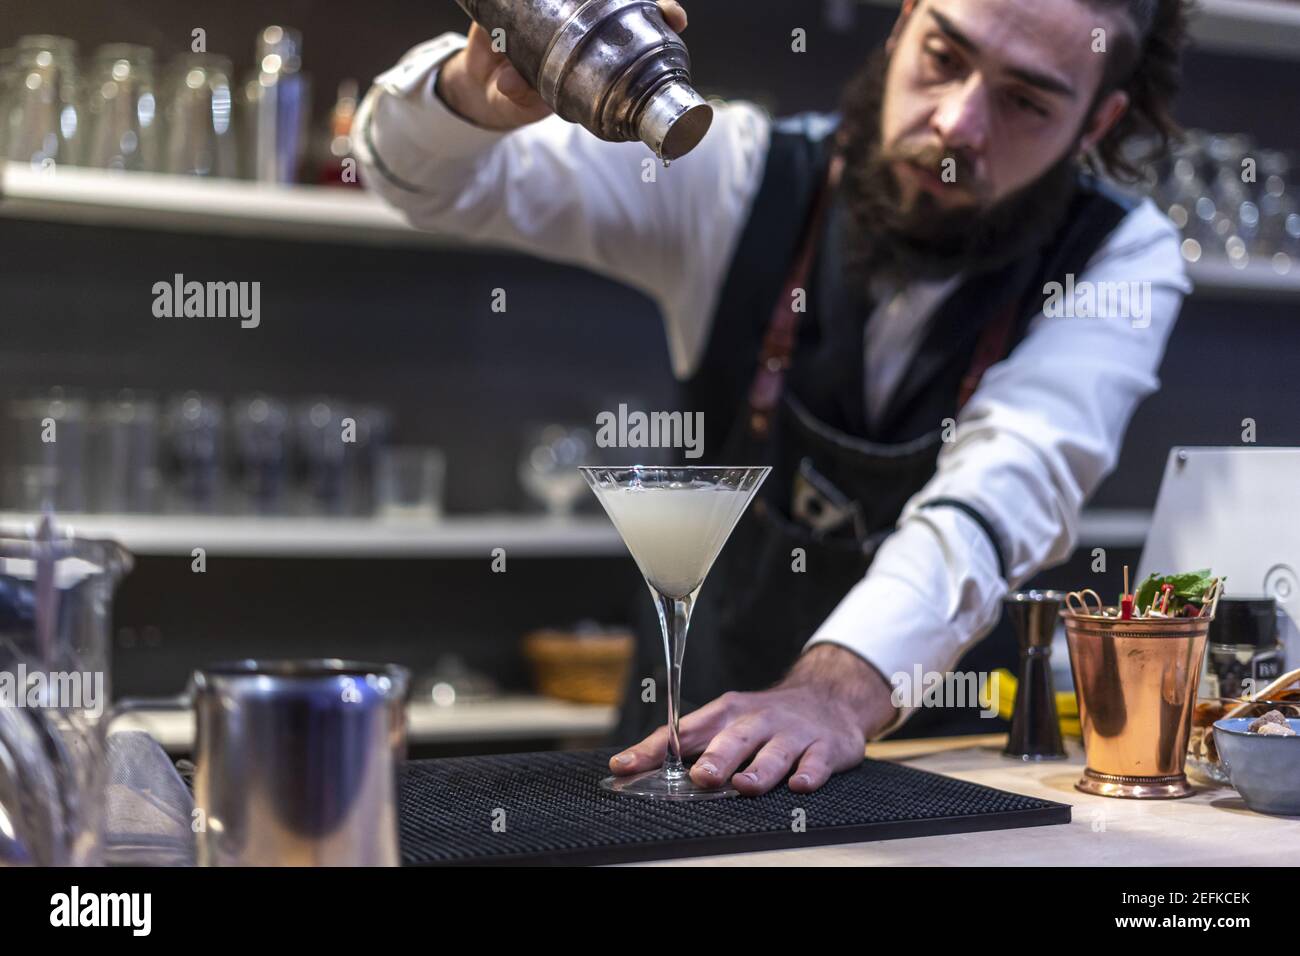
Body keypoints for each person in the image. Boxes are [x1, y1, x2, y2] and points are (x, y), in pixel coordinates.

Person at [356, 0, 1191, 795]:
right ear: (902, 25)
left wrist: (837, 691)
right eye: (943, 58)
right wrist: (471, 102)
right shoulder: (734, 175)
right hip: (689, 775)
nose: (957, 126)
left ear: (1099, 121)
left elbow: (1010, 486)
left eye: (1025, 101)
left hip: (955, 778)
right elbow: (428, 185)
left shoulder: (1119, 256)